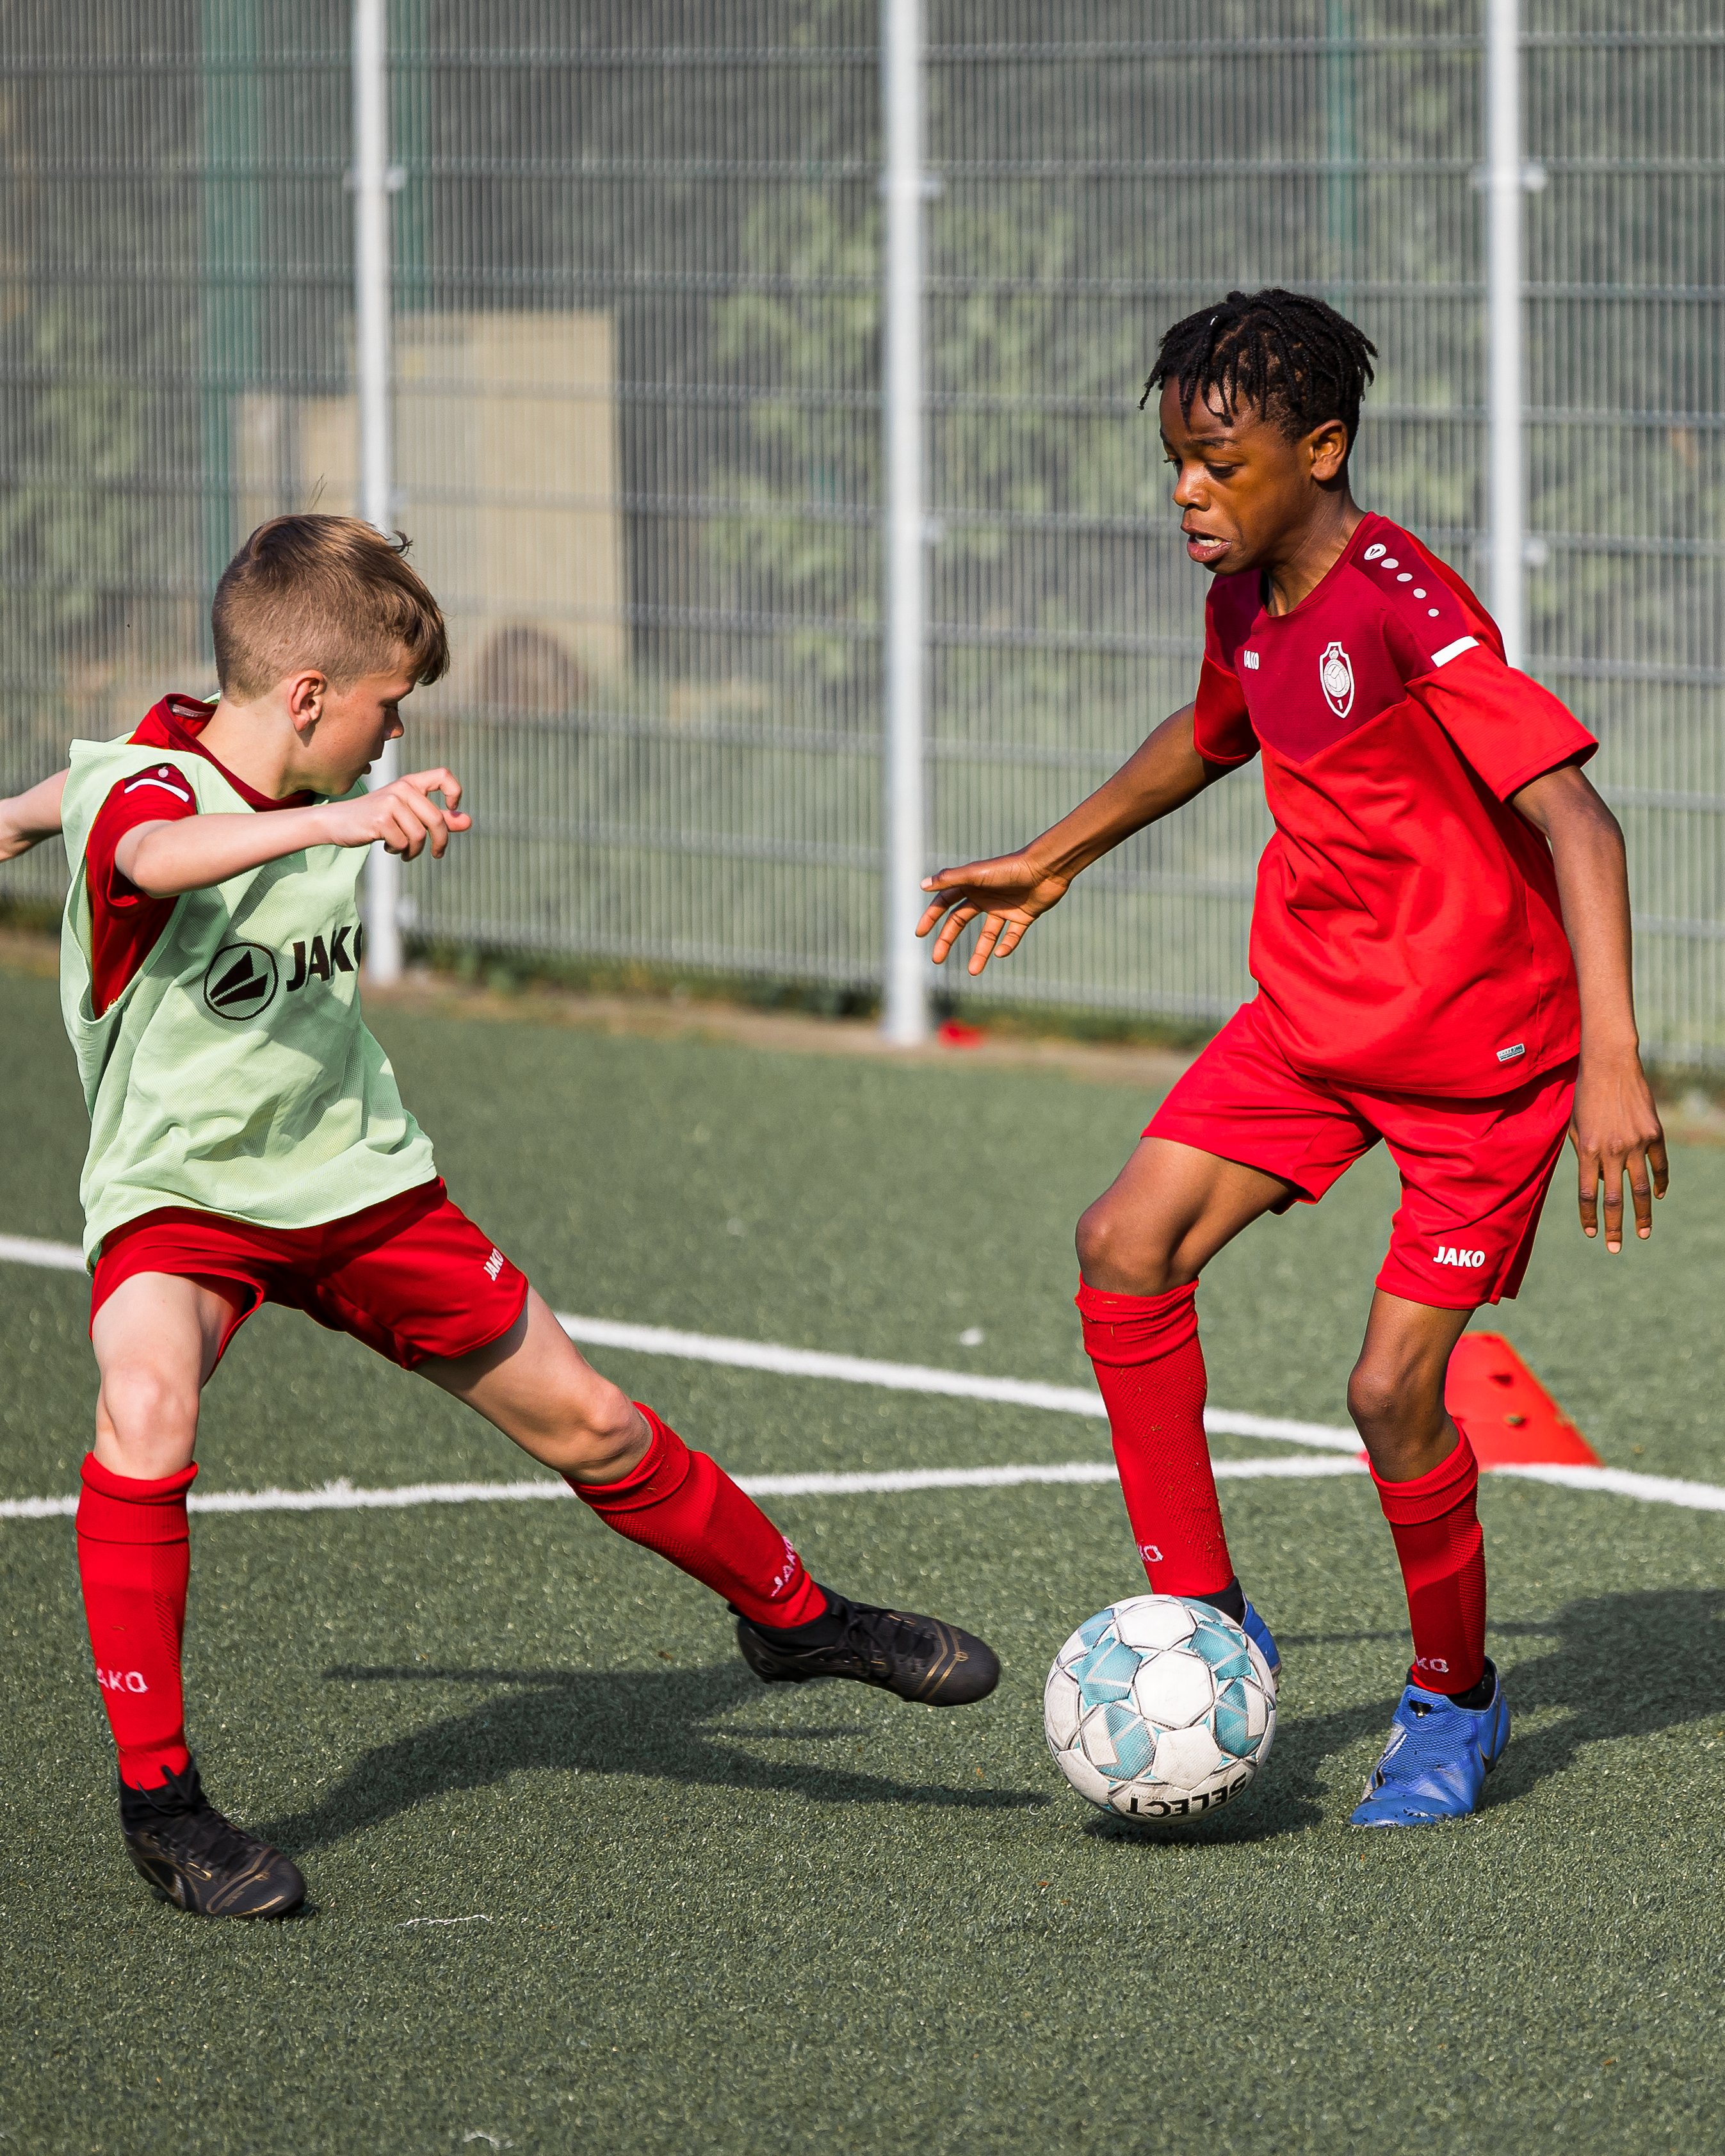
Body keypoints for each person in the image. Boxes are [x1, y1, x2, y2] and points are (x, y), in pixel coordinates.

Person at [28, 512, 998, 1920]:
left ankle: (799, 1620)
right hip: (179, 1197)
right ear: (308, 696)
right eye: (386, 707)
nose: (393, 735)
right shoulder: (154, 787)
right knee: (145, 1410)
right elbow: (151, 844)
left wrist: (19, 818)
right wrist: (340, 819)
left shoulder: (197, 769)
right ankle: (163, 1803)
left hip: (359, 1183)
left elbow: (53, 805)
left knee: (593, 1422)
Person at [916, 289, 1666, 1828]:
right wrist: (1054, 857)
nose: (1189, 495)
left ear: (1321, 451)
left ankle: (1455, 1695)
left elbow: (1580, 822)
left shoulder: (1406, 605)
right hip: (1318, 1023)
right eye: (1177, 465)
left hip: (1486, 1055)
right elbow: (1212, 735)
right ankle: (1204, 1616)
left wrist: (1613, 1065)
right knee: (1123, 1244)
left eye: (1221, 464)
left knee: (1391, 1393)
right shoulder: (1244, 601)